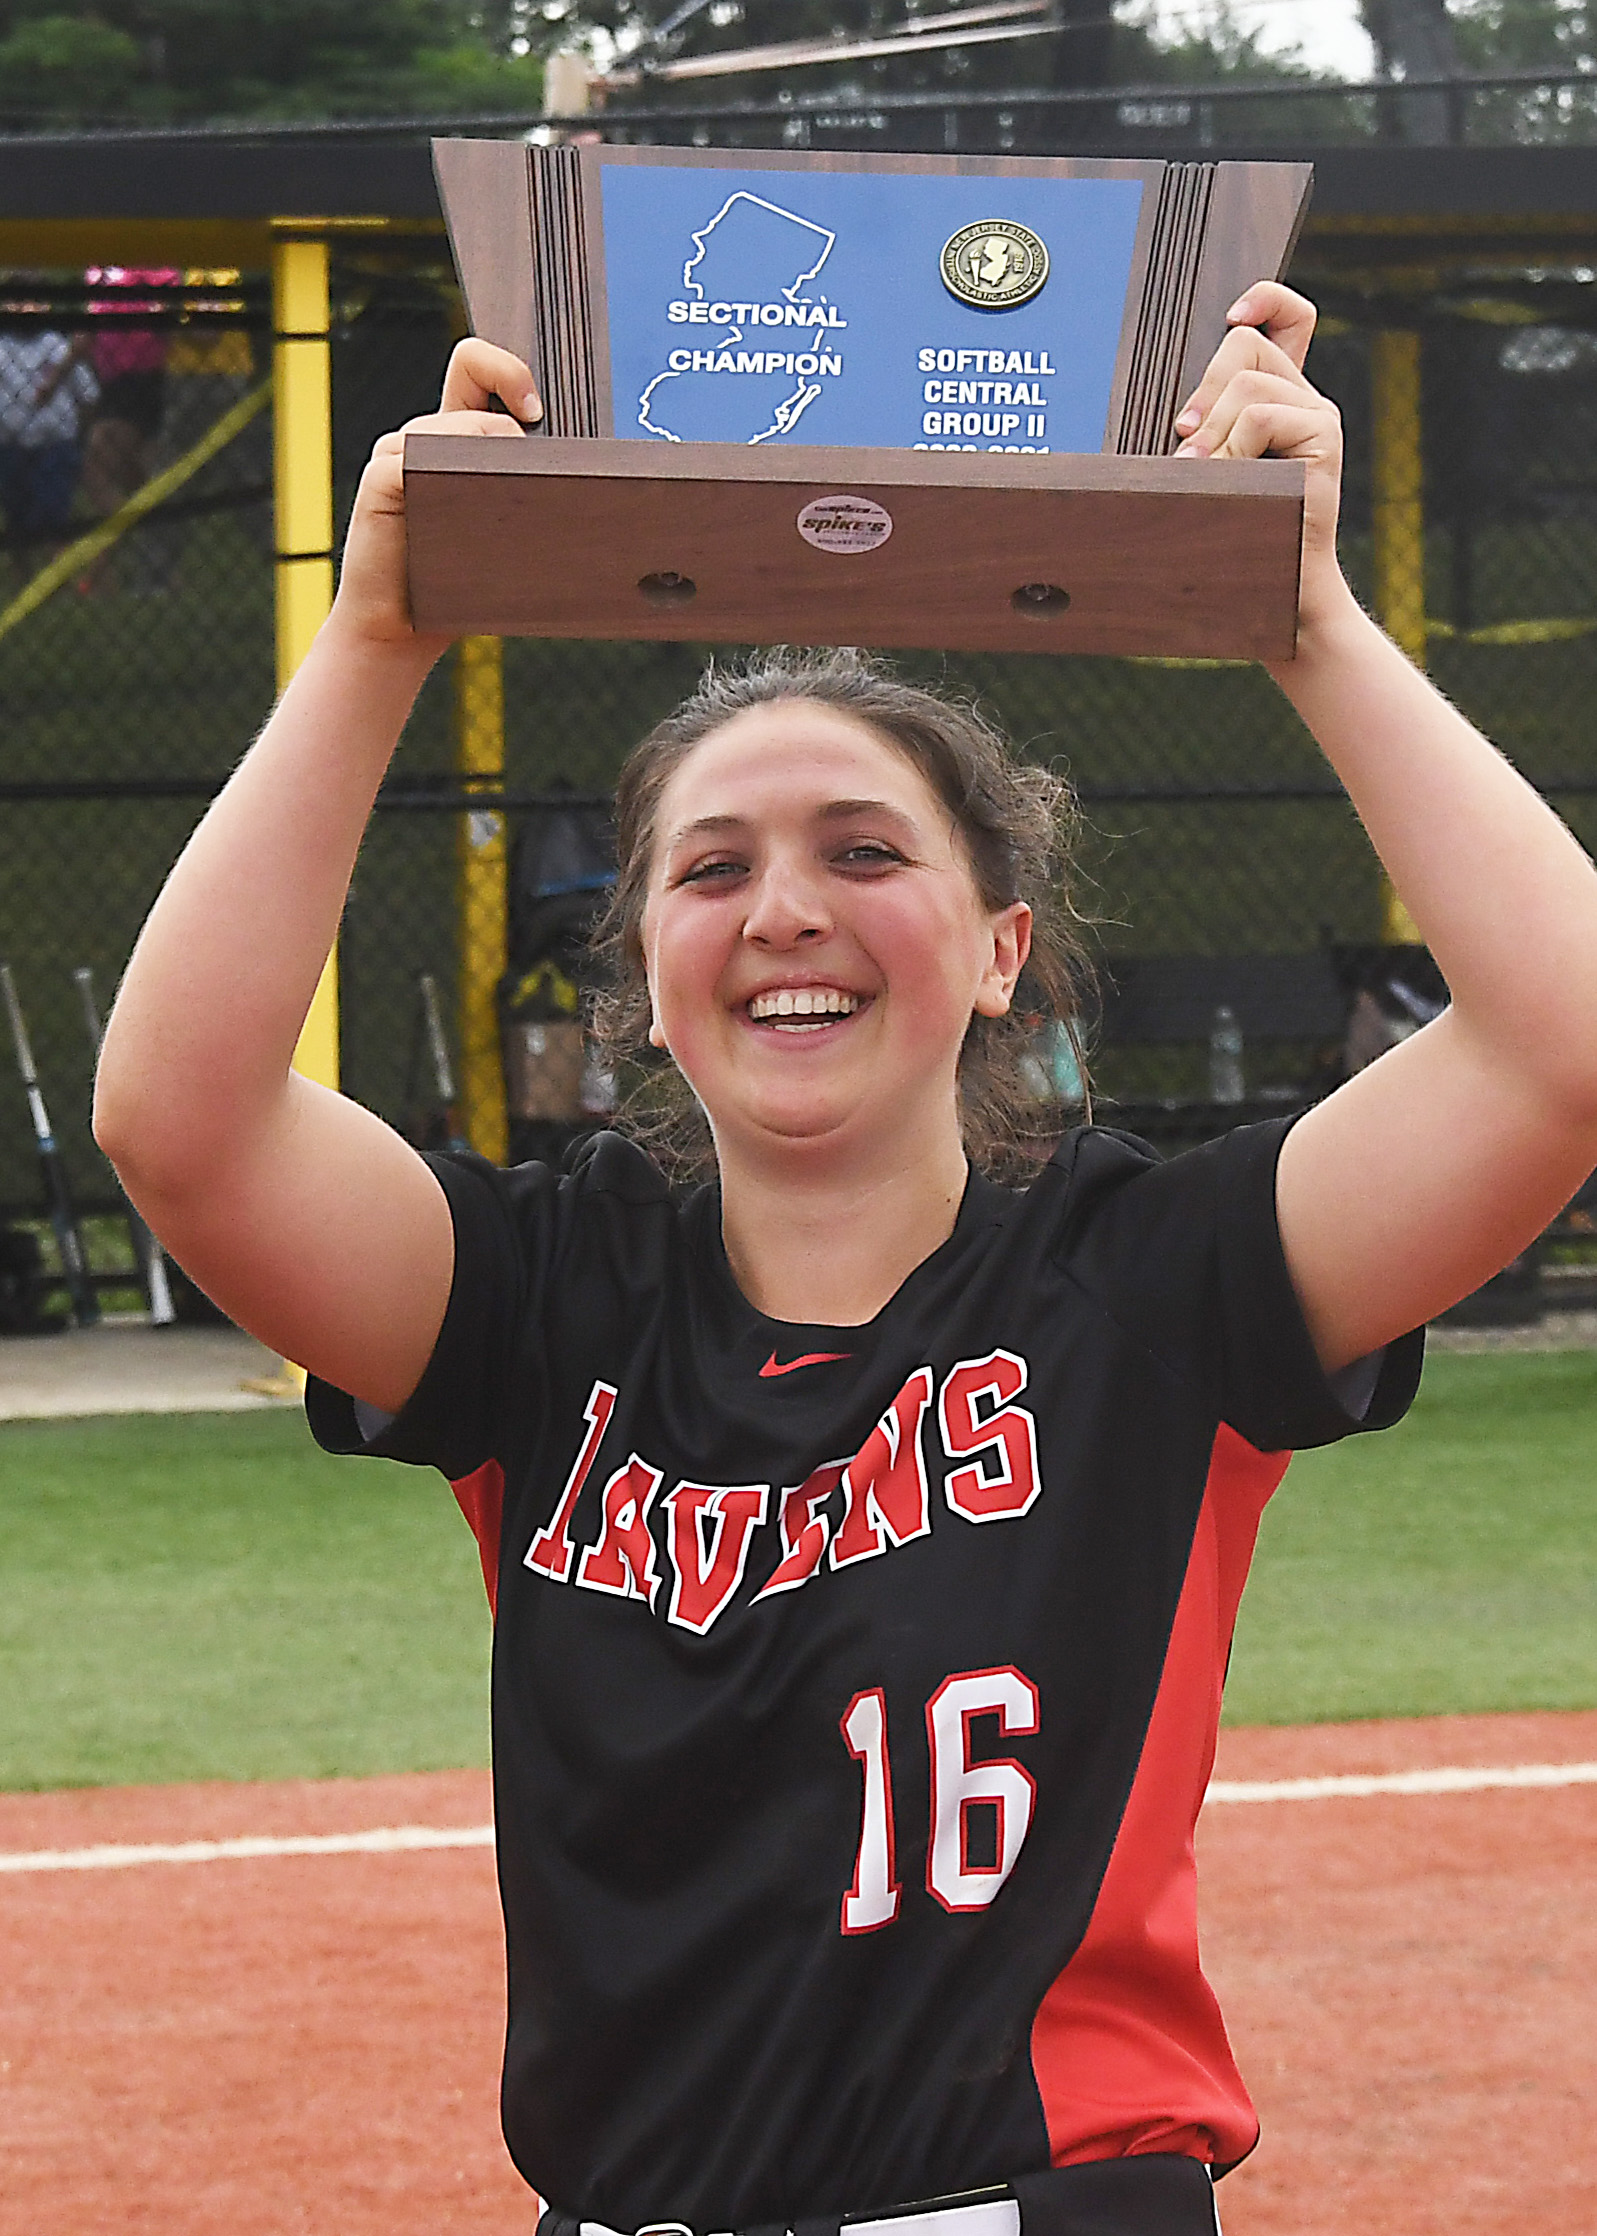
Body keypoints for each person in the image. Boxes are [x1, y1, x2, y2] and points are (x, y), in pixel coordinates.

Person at [93, 282, 1597, 2236]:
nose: (784, 906)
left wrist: (1300, 615)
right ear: (644, 974)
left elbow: (1565, 1048)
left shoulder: (1145, 1275)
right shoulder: (545, 1295)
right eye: (711, 868)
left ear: (993, 947)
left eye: (867, 851)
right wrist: (384, 623)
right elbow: (181, 1126)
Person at [0, 317, 97, 567]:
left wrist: (82, 434)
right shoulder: (2, 347)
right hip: (11, 446)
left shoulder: (57, 346)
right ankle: (23, 580)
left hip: (56, 443)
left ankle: (57, 577)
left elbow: (87, 394)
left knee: (54, 514)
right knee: (16, 516)